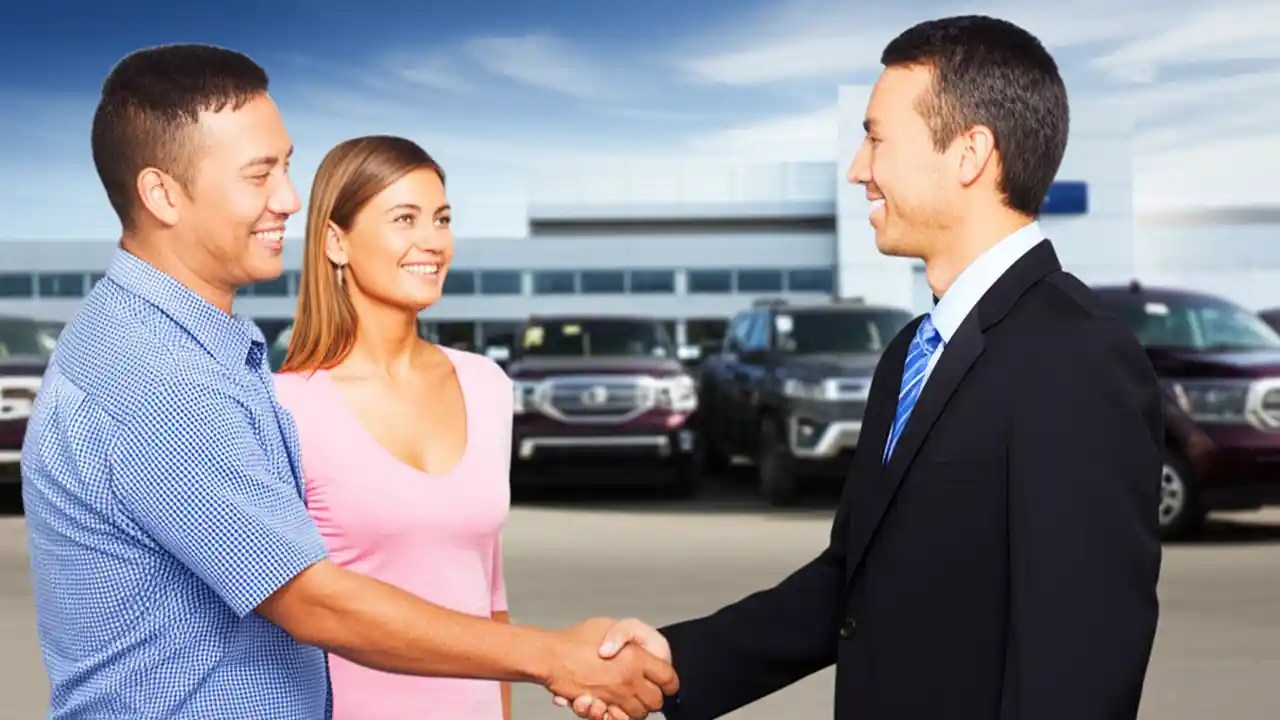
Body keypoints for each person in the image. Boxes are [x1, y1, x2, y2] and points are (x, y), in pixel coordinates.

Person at [20, 43, 676, 720]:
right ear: (162, 194)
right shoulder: (151, 374)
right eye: (258, 175)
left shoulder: (199, 350)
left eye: (287, 165)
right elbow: (310, 599)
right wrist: (553, 656)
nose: (289, 199)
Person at [564, 14, 1164, 720]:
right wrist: (674, 662)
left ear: (969, 154)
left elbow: (1081, 664)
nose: (858, 168)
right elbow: (854, 582)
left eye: (877, 137)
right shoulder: (909, 352)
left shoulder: (1076, 356)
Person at [271, 135, 514, 719]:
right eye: (404, 218)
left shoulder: (486, 385)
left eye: (442, 219)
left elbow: (490, 596)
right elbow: (290, 613)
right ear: (335, 240)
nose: (432, 241)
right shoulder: (283, 407)